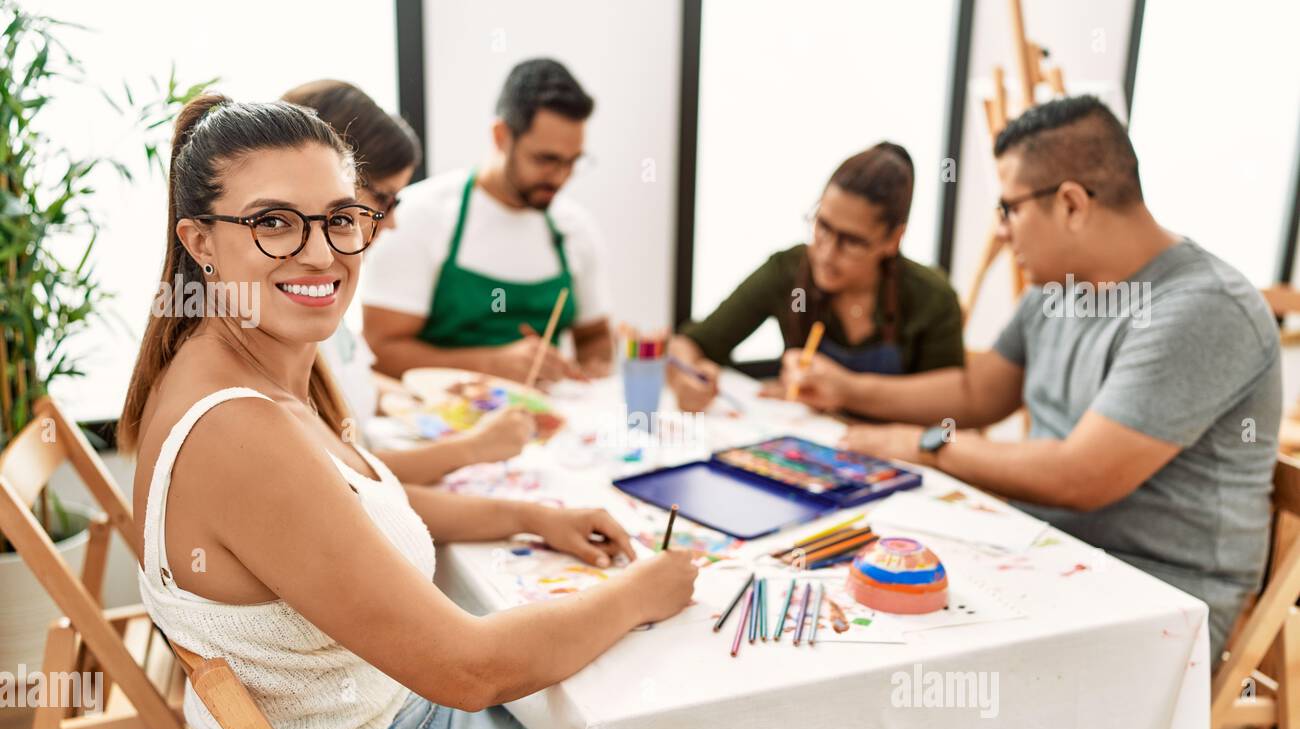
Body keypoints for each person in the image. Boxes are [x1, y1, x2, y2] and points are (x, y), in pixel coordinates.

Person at [119, 94, 697, 729]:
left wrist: (528, 516)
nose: (320, 254)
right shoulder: (238, 429)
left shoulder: (246, 363)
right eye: (274, 222)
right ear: (200, 242)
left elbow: (347, 511)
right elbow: (470, 668)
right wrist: (639, 592)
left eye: (341, 218)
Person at [785, 95, 1280, 659]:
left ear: (1070, 203)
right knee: (843, 593)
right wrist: (847, 389)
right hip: (1041, 551)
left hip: (1158, 598)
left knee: (892, 654)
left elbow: (1081, 476)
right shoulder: (1057, 287)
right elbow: (977, 392)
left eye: (1009, 209)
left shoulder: (1202, 308)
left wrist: (926, 445)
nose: (1001, 233)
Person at [283, 79, 534, 484]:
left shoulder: (324, 298)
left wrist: (430, 400)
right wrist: (473, 449)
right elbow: (346, 482)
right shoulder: (291, 314)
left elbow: (351, 378)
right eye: (386, 200)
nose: (393, 220)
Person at [362, 58, 614, 384]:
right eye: (546, 159)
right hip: (441, 423)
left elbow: (595, 338)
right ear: (501, 136)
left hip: (543, 418)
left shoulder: (576, 229)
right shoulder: (418, 216)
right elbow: (381, 351)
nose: (561, 177)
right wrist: (490, 364)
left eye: (572, 162)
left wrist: (592, 373)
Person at [669, 143, 964, 413]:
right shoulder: (789, 270)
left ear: (893, 239)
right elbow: (689, 343)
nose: (826, 253)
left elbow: (955, 400)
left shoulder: (932, 297)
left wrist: (849, 391)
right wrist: (686, 377)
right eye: (822, 226)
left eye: (851, 241)